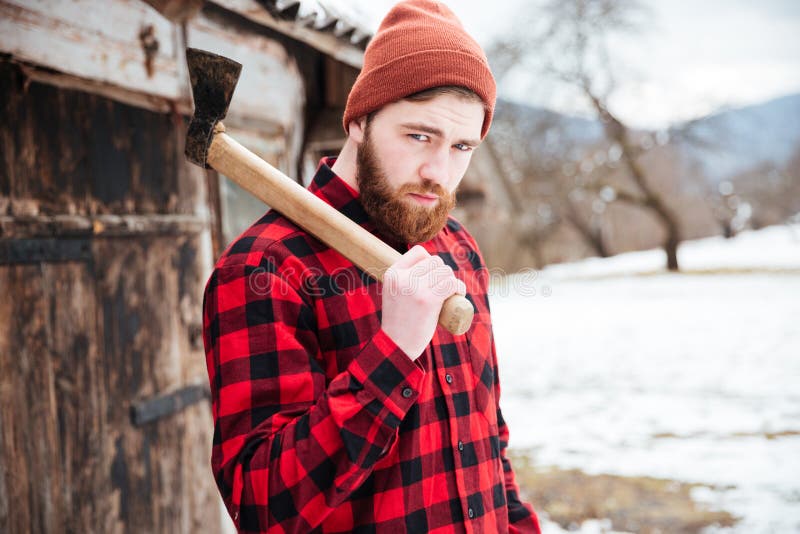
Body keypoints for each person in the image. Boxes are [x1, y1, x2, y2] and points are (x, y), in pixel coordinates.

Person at [202, 1, 542, 532]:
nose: (439, 171)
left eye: (461, 147)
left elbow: (487, 439)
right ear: (359, 119)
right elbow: (262, 504)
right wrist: (394, 351)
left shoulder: (456, 248)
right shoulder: (264, 267)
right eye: (419, 136)